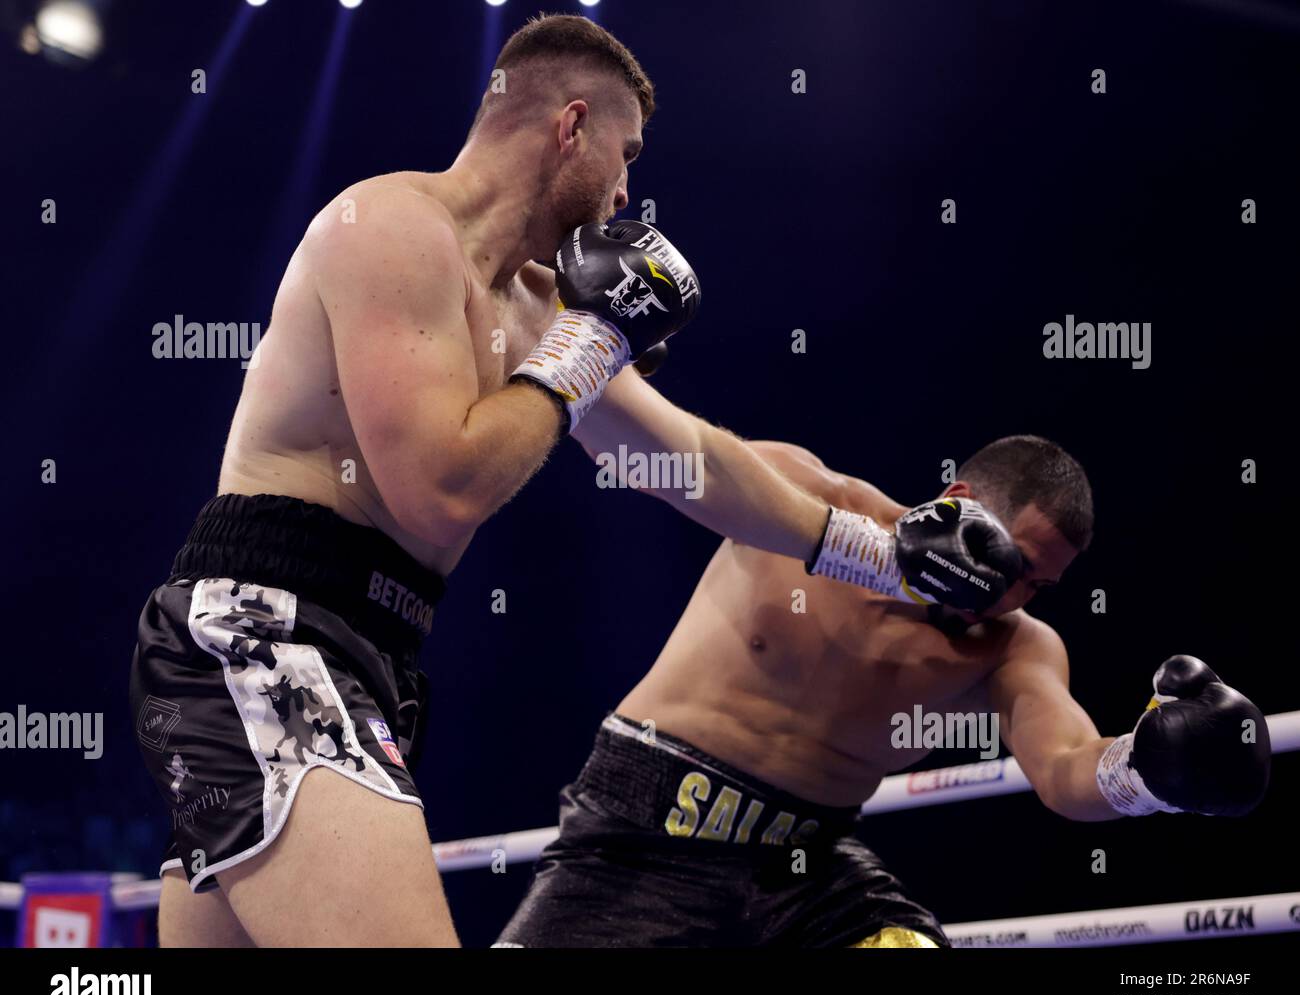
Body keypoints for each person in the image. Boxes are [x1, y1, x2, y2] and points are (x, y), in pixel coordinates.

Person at [128, 14, 1020, 947]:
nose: (630, 189)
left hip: (369, 651)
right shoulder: (391, 228)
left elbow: (693, 459)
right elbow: (438, 487)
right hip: (267, 629)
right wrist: (591, 343)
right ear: (572, 125)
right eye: (626, 154)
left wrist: (886, 560)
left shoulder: (535, 306)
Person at [495, 435, 1271, 947]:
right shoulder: (805, 494)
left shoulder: (1013, 646)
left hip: (805, 865)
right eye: (1015, 562)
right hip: (641, 830)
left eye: (1041, 584)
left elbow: (1066, 763)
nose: (1013, 595)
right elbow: (661, 456)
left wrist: (1145, 772)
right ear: (960, 498)